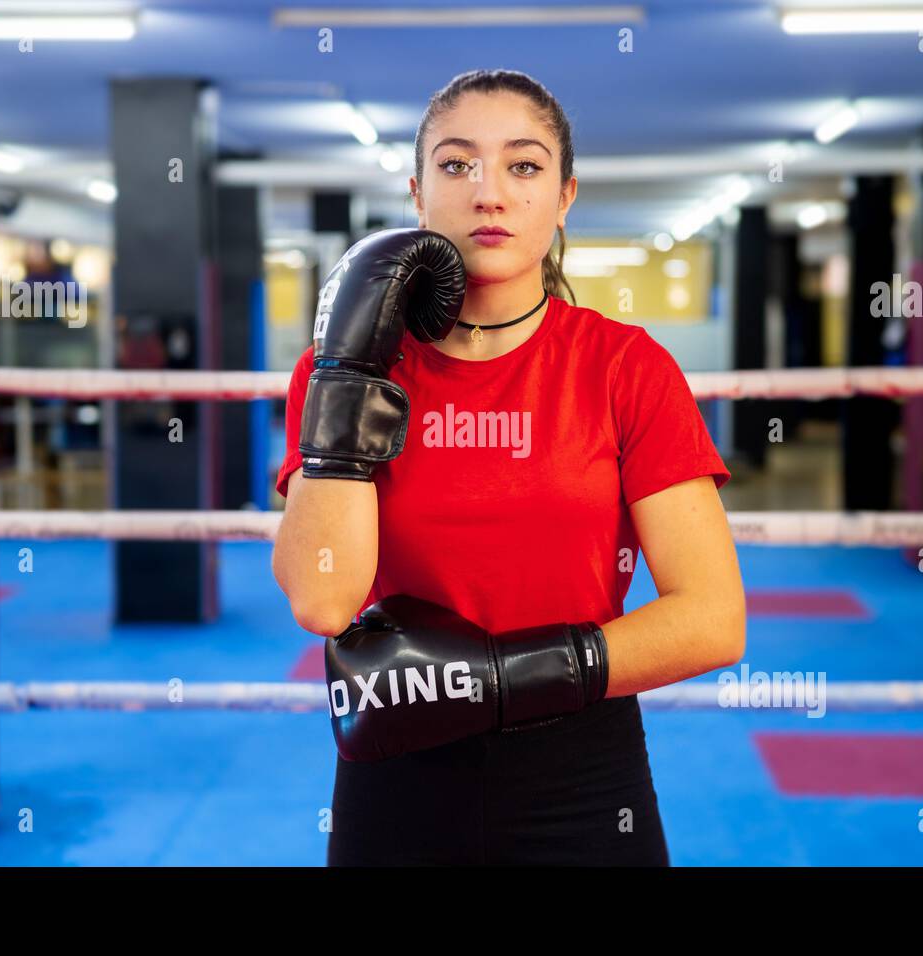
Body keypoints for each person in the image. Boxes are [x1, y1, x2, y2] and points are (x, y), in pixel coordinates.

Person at [272, 69, 745, 866]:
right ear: (417, 193)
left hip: (584, 769)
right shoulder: (339, 371)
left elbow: (712, 618)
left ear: (564, 196)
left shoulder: (624, 367)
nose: (488, 193)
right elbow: (323, 599)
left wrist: (492, 681)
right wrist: (351, 375)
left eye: (522, 166)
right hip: (399, 766)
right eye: (456, 165)